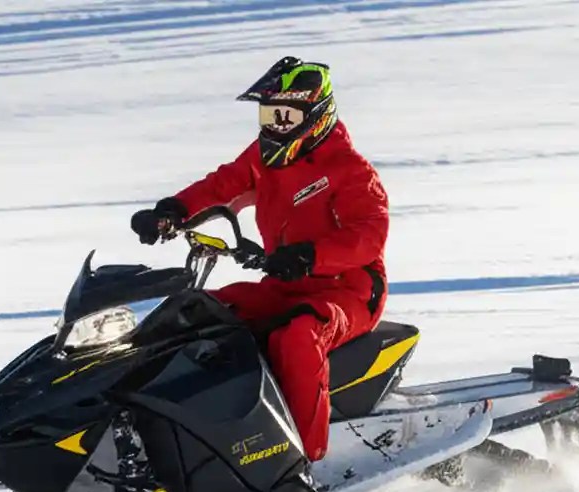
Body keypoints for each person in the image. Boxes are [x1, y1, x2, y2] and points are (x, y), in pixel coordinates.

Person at [131, 57, 389, 463]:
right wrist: (173, 211)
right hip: (284, 284)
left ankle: (303, 463)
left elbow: (369, 237)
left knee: (296, 337)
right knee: (196, 311)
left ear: (317, 115)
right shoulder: (265, 156)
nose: (276, 125)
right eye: (269, 115)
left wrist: (311, 256)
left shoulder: (350, 170)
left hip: (348, 292)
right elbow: (223, 184)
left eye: (287, 116)